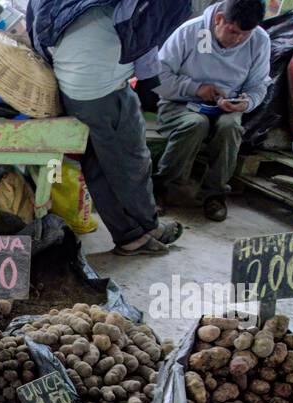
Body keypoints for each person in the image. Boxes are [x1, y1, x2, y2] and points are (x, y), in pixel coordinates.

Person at [29, 0, 190, 256]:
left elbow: (36, 31)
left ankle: (129, 236)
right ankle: (150, 226)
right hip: (103, 89)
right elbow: (143, 42)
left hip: (69, 88)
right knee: (132, 163)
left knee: (96, 163)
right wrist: (150, 84)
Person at [155, 0, 270, 221]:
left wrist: (246, 102)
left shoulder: (259, 40)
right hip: (179, 103)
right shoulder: (191, 31)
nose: (237, 40)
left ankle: (214, 194)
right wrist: (196, 89)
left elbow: (259, 85)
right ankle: (161, 187)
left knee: (231, 126)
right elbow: (158, 77)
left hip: (226, 105)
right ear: (218, 19)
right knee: (195, 123)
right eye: (233, 31)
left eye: (244, 35)